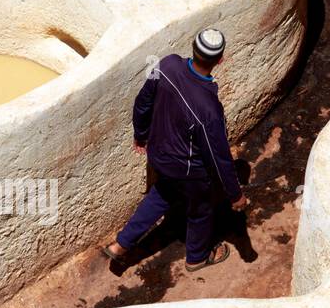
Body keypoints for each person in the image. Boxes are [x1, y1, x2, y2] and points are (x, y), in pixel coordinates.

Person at [103, 28, 248, 272]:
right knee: (201, 210)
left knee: (161, 195)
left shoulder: (166, 65)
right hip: (189, 171)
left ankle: (121, 244)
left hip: (159, 155)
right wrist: (235, 195)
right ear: (220, 59)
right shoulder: (209, 109)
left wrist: (140, 134)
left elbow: (143, 102)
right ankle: (197, 257)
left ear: (192, 47)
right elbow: (218, 158)